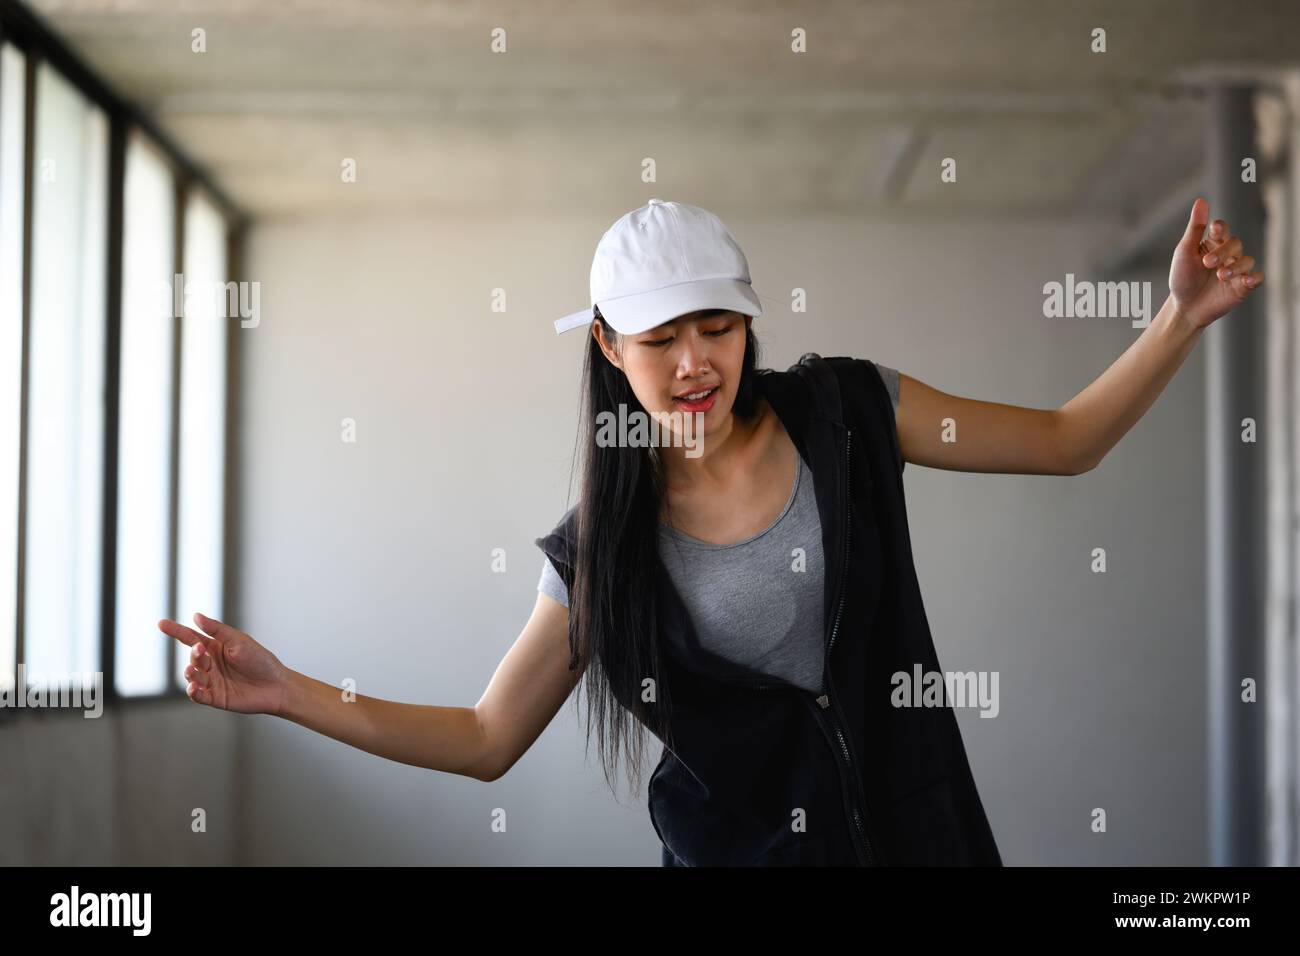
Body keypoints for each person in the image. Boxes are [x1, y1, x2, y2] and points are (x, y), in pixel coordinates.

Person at [160, 196, 1263, 866]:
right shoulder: (597, 553)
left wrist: (1178, 316)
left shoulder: (847, 409)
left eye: (717, 326)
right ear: (606, 345)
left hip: (925, 841)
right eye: (660, 338)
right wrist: (286, 687)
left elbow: (1067, 438)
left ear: (747, 323)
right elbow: (484, 739)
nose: (695, 361)